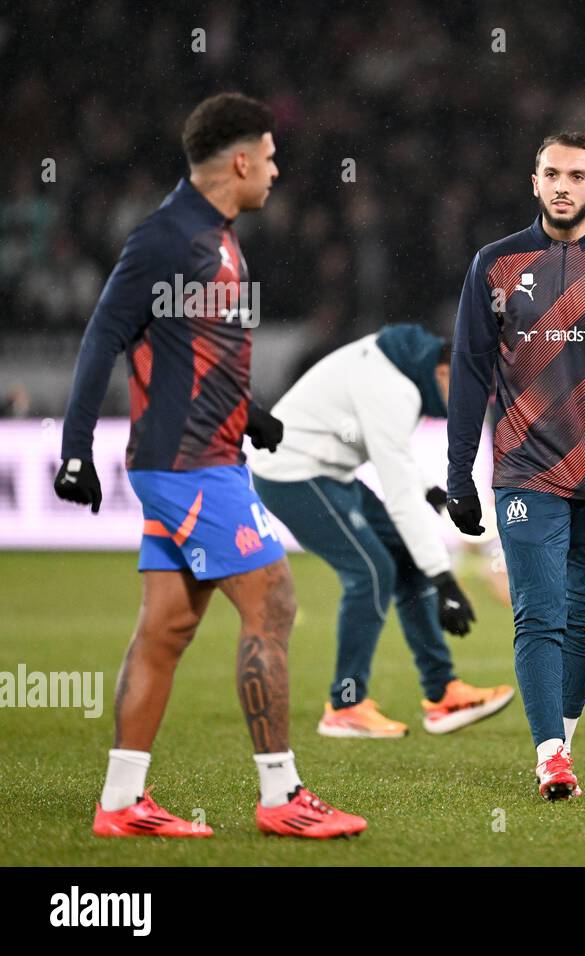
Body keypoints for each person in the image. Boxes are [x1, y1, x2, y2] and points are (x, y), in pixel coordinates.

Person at [53, 92, 365, 838]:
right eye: (271, 153)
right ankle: (281, 796)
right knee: (275, 601)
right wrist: (73, 449)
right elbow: (104, 336)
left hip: (207, 454)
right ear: (240, 159)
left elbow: (196, 345)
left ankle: (122, 803)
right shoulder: (167, 237)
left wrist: (250, 413)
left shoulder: (219, 238)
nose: (278, 169)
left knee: (165, 628)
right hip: (186, 464)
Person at [445, 131, 585, 800]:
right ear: (535, 181)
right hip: (525, 468)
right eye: (552, 173)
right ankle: (551, 755)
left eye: (578, 174)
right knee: (539, 614)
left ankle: (561, 742)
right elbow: (469, 372)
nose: (563, 185)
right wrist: (459, 475)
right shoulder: (494, 264)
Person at [249, 324, 514, 737]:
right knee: (371, 572)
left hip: (327, 472)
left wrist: (431, 492)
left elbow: (392, 454)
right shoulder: (396, 389)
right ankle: (345, 705)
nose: (470, 405)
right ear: (445, 373)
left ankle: (443, 693)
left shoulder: (402, 367)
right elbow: (398, 494)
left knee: (404, 565)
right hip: (292, 475)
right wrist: (445, 580)